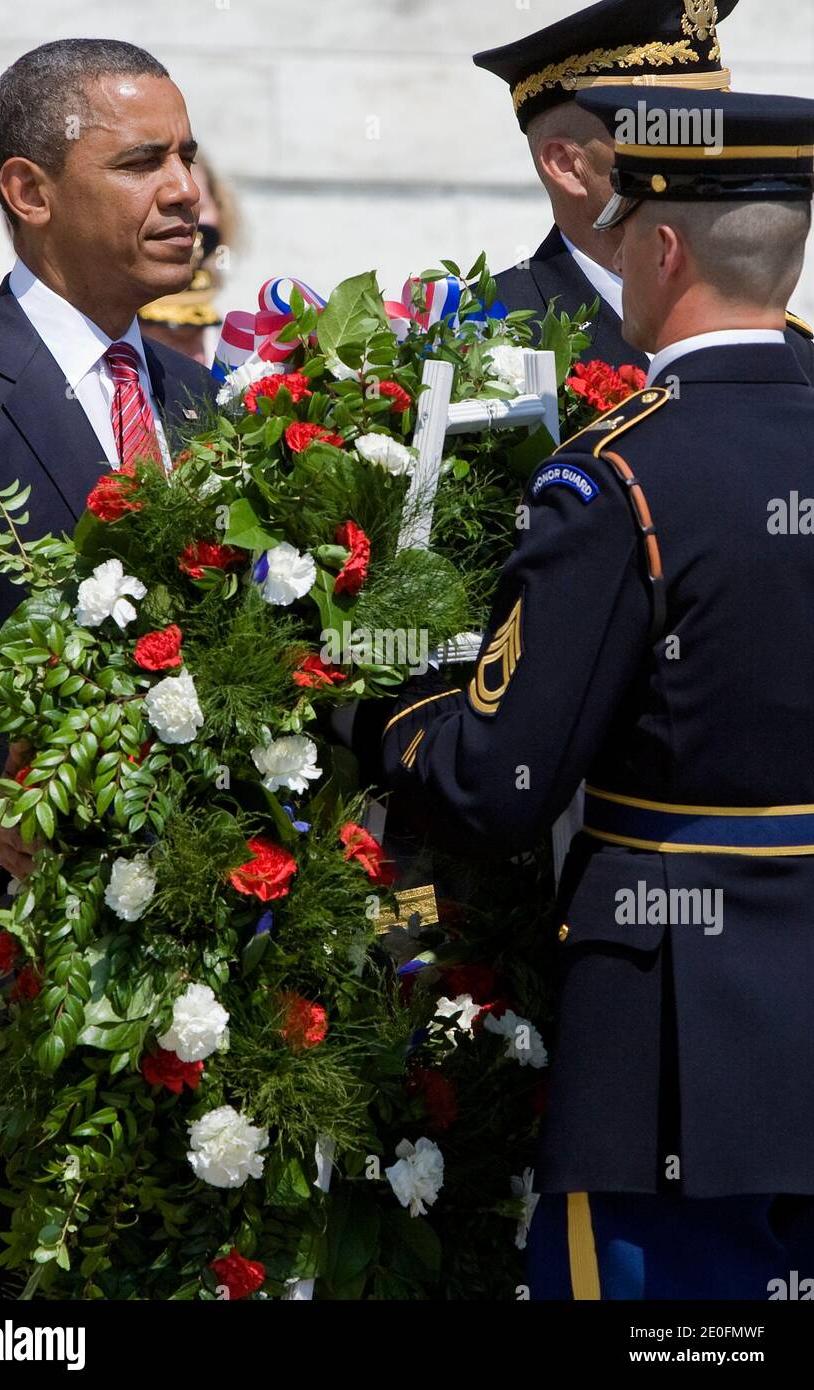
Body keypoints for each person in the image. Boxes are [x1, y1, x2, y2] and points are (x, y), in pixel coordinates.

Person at [379, 89, 814, 1299]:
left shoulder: (615, 475)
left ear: (662, 248)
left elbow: (498, 785)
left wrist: (397, 710)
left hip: (676, 1047)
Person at [0, 36, 217, 1287]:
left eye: (191, 156)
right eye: (143, 161)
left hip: (195, 1010)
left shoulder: (209, 407)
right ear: (30, 190)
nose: (188, 194)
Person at [473, 0, 814, 380]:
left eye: (712, 130)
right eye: (663, 135)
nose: (705, 154)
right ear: (568, 166)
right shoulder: (479, 339)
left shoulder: (790, 350)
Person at [139, 154, 242, 365]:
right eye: (169, 209)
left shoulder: (241, 323)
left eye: (199, 206)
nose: (187, 220)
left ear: (220, 209)